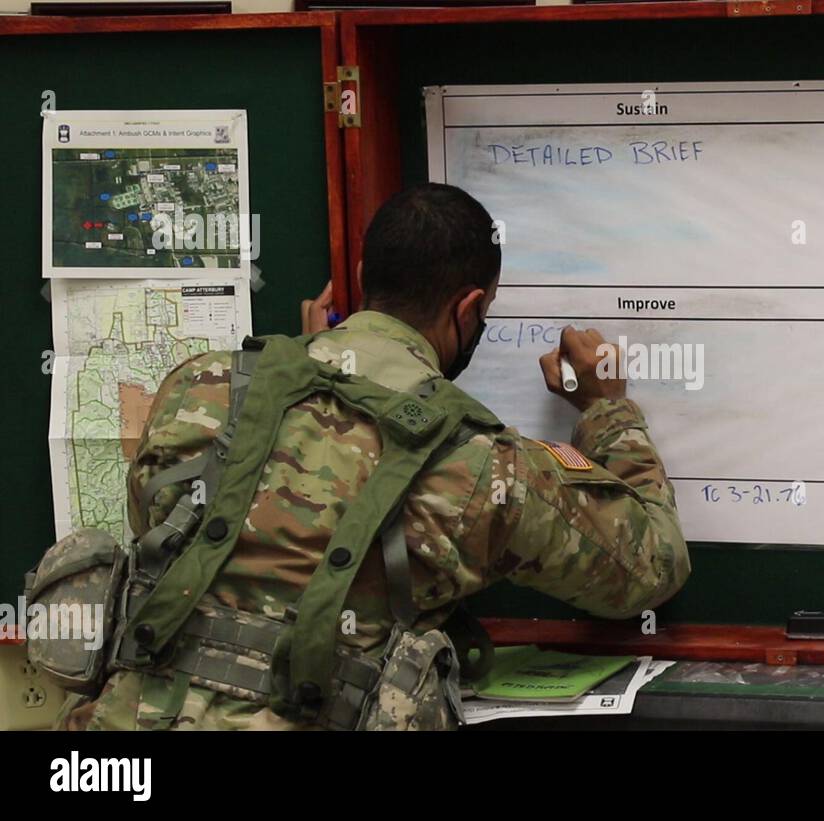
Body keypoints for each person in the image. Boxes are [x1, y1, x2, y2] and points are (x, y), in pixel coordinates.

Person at [60, 183, 691, 730]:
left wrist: (310, 360)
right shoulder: (482, 466)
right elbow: (653, 565)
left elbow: (187, 537)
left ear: (364, 275)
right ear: (468, 308)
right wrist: (606, 408)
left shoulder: (197, 385)